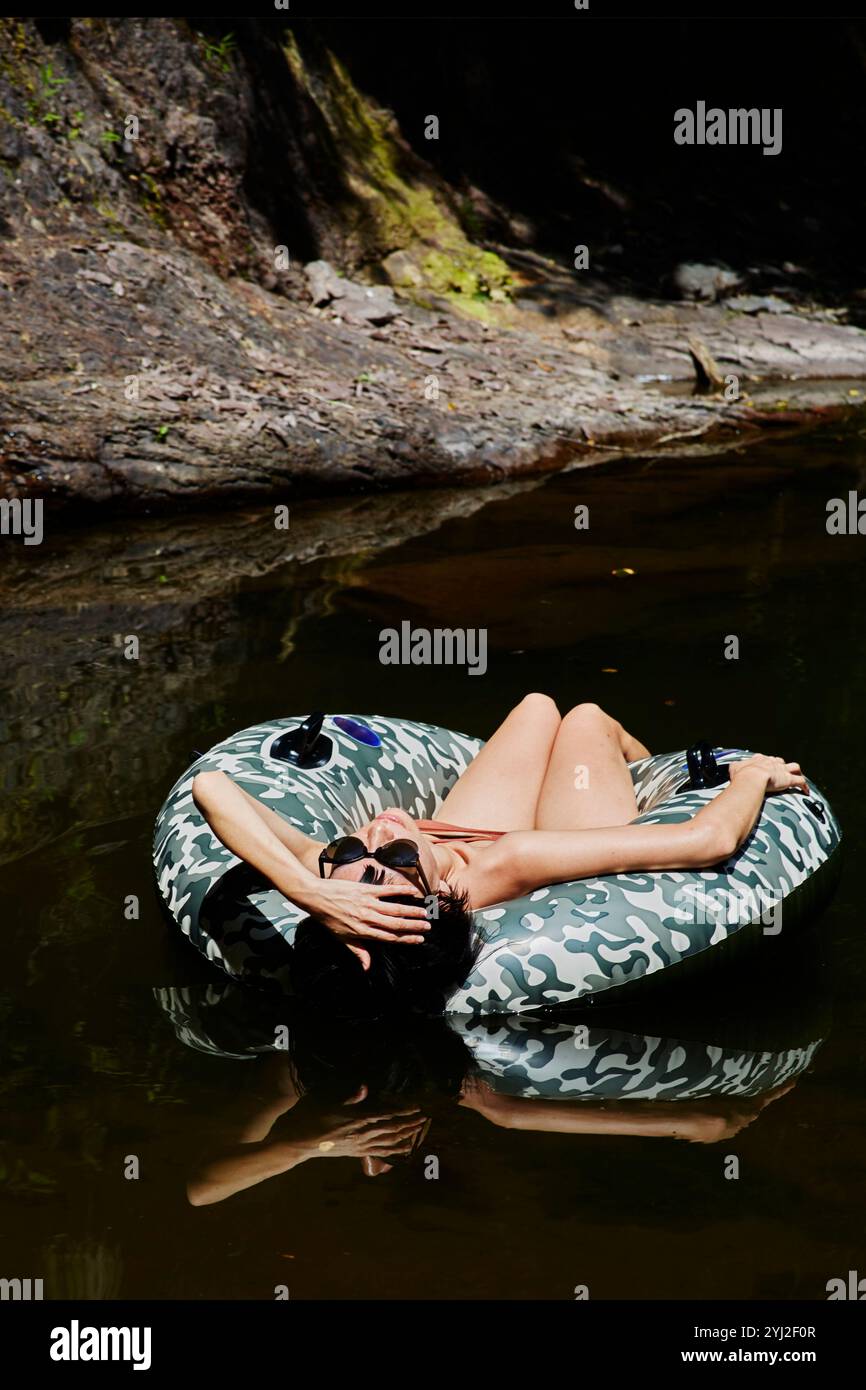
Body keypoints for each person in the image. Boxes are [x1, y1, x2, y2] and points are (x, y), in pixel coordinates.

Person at [191, 696, 807, 1017]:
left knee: (540, 707)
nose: (376, 834)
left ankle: (632, 774)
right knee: (586, 719)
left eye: (352, 850)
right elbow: (707, 843)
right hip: (539, 843)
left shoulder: (329, 876)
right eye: (394, 859)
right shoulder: (508, 864)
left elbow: (212, 787)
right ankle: (644, 782)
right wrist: (751, 778)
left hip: (459, 836)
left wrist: (313, 890)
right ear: (430, 900)